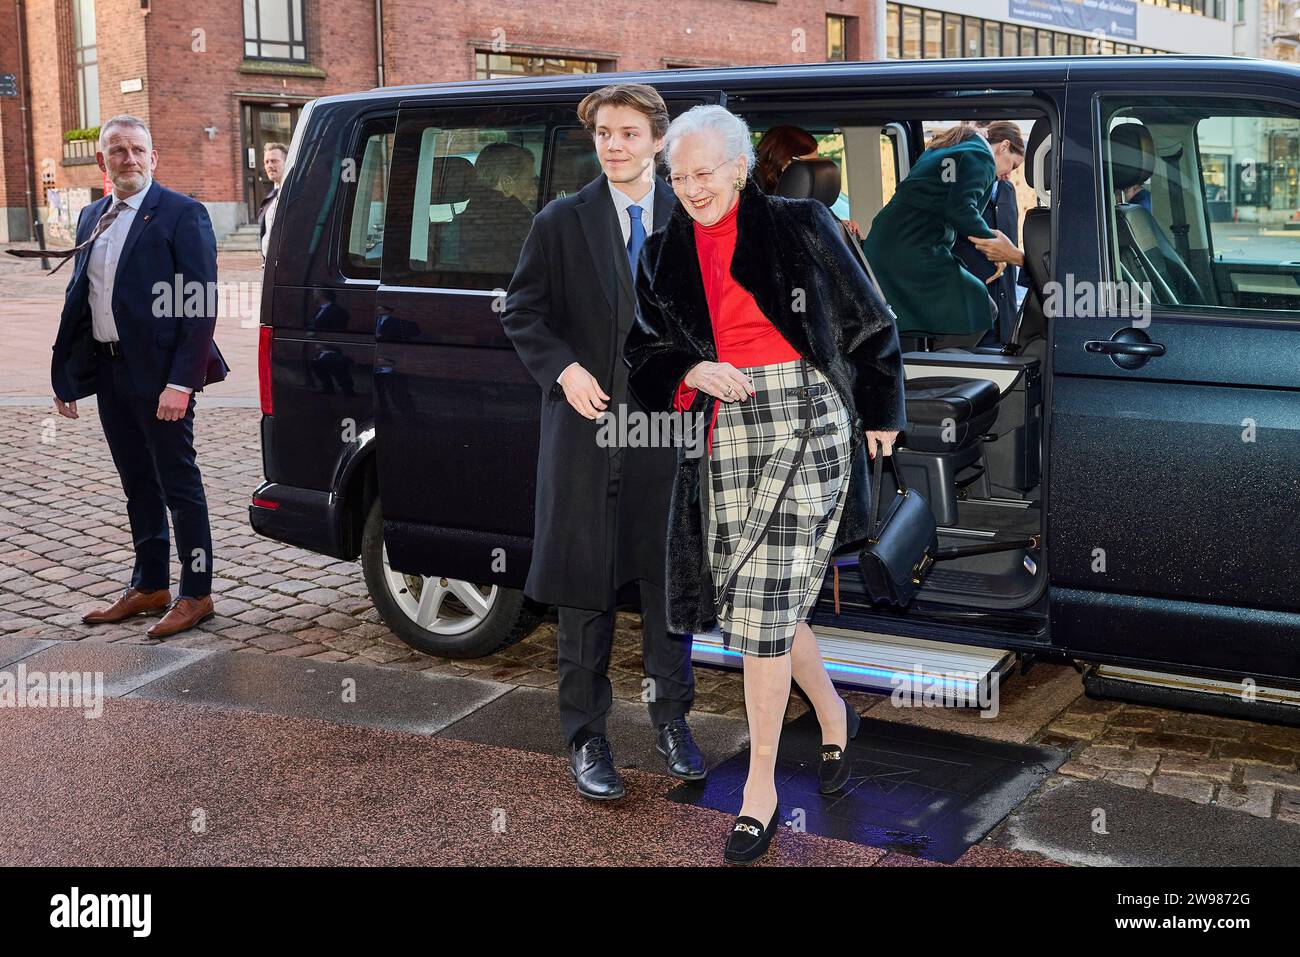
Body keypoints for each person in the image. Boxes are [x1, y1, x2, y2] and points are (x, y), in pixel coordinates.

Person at [625, 105, 907, 864]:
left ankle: (760, 789)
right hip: (727, 428)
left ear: (741, 168)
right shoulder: (661, 252)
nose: (691, 189)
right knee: (763, 606)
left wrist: (882, 408)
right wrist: (691, 369)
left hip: (809, 418)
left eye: (704, 173)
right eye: (678, 177)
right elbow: (642, 355)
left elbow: (871, 321)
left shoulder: (802, 224)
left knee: (763, 607)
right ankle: (834, 712)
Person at [501, 84, 704, 801]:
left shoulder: (691, 216)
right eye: (604, 134)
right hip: (586, 435)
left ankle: (672, 719)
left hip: (666, 432)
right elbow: (522, 310)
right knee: (582, 590)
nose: (614, 146)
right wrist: (563, 369)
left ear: (658, 140)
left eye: (628, 133)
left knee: (668, 585)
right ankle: (586, 735)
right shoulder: (561, 220)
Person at [49, 115, 229, 637]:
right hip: (110, 372)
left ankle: (196, 592)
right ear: (101, 161)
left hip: (162, 377)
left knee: (180, 485)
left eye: (137, 150)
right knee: (137, 484)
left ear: (154, 158)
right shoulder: (91, 217)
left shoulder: (182, 213)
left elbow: (199, 303)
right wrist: (65, 375)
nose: (128, 159)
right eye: (118, 150)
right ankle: (150, 585)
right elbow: (80, 299)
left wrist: (182, 382)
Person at [863, 121, 1024, 346]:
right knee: (981, 306)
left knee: (907, 320)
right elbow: (960, 208)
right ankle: (945, 365)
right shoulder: (981, 156)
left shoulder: (949, 147)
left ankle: (924, 363)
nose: (1009, 175)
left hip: (892, 243)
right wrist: (996, 247)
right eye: (1013, 165)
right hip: (911, 247)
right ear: (1004, 146)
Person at [753, 125, 863, 238]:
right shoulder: (756, 206)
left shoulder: (814, 205)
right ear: (786, 163)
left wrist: (841, 228)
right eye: (809, 164)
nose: (816, 171)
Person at [458, 142, 538, 275]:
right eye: (530, 182)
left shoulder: (460, 223)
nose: (534, 191)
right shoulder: (519, 225)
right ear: (507, 184)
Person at [258, 141, 287, 260]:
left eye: (274, 161)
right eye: (267, 162)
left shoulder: (296, 195)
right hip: (269, 265)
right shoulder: (269, 198)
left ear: (287, 162)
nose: (269, 165)